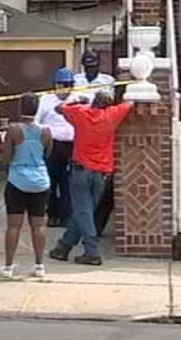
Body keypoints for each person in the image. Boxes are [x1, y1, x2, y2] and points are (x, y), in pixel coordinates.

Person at [49, 91, 132, 266]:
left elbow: (58, 108)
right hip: (102, 174)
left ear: (94, 102)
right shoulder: (112, 115)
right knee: (85, 211)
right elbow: (130, 103)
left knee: (83, 212)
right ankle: (64, 247)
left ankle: (91, 251)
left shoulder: (81, 112)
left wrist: (78, 101)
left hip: (81, 171)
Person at [0, 92, 51, 279]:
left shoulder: (13, 130)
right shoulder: (46, 131)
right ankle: (39, 266)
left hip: (17, 180)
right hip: (40, 181)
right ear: (37, 109)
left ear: (20, 108)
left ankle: (8, 267)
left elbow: (6, 158)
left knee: (14, 226)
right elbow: (47, 154)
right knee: (39, 225)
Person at [35, 67, 77, 227]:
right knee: (50, 181)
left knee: (68, 183)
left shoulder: (77, 100)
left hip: (71, 146)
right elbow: (36, 122)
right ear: (56, 85)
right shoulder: (46, 100)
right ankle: (52, 214)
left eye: (69, 85)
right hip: (52, 145)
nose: (66, 89)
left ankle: (66, 215)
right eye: (62, 85)